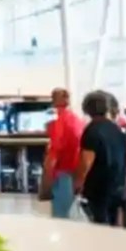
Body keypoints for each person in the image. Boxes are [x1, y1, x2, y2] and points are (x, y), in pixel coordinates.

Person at [76, 91, 126, 226]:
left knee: (99, 227)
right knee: (113, 226)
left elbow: (86, 162)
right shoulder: (118, 130)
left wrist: (77, 184)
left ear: (87, 109)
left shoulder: (91, 130)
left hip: (98, 189)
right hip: (118, 187)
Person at [42, 87, 84, 219]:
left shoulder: (57, 121)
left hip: (62, 173)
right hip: (76, 172)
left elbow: (54, 152)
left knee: (61, 218)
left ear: (54, 100)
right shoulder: (77, 120)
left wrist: (45, 184)